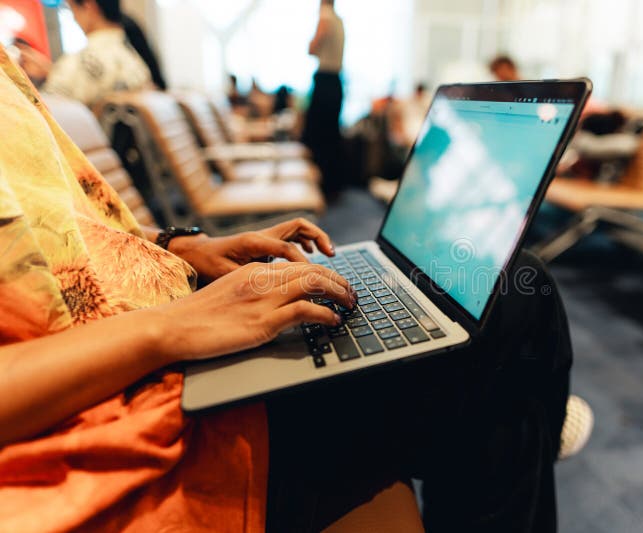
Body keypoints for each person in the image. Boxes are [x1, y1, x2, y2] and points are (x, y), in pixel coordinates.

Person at [0, 42, 571, 531]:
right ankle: (517, 409)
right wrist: (170, 326)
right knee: (517, 311)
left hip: (147, 343)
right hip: (120, 422)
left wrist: (177, 246)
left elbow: (57, 224)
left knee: (488, 326)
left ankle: (511, 408)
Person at [17, 0, 152, 107]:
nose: (74, 18)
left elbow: (45, 118)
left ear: (89, 6)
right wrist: (53, 71)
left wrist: (20, 79)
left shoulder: (76, 64)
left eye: (72, 9)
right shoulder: (134, 57)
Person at [302, 0, 346, 198]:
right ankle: (333, 184)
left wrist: (311, 44)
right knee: (331, 135)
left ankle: (324, 187)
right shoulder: (339, 20)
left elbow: (312, 47)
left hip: (325, 83)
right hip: (335, 82)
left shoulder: (326, 15)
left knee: (319, 136)